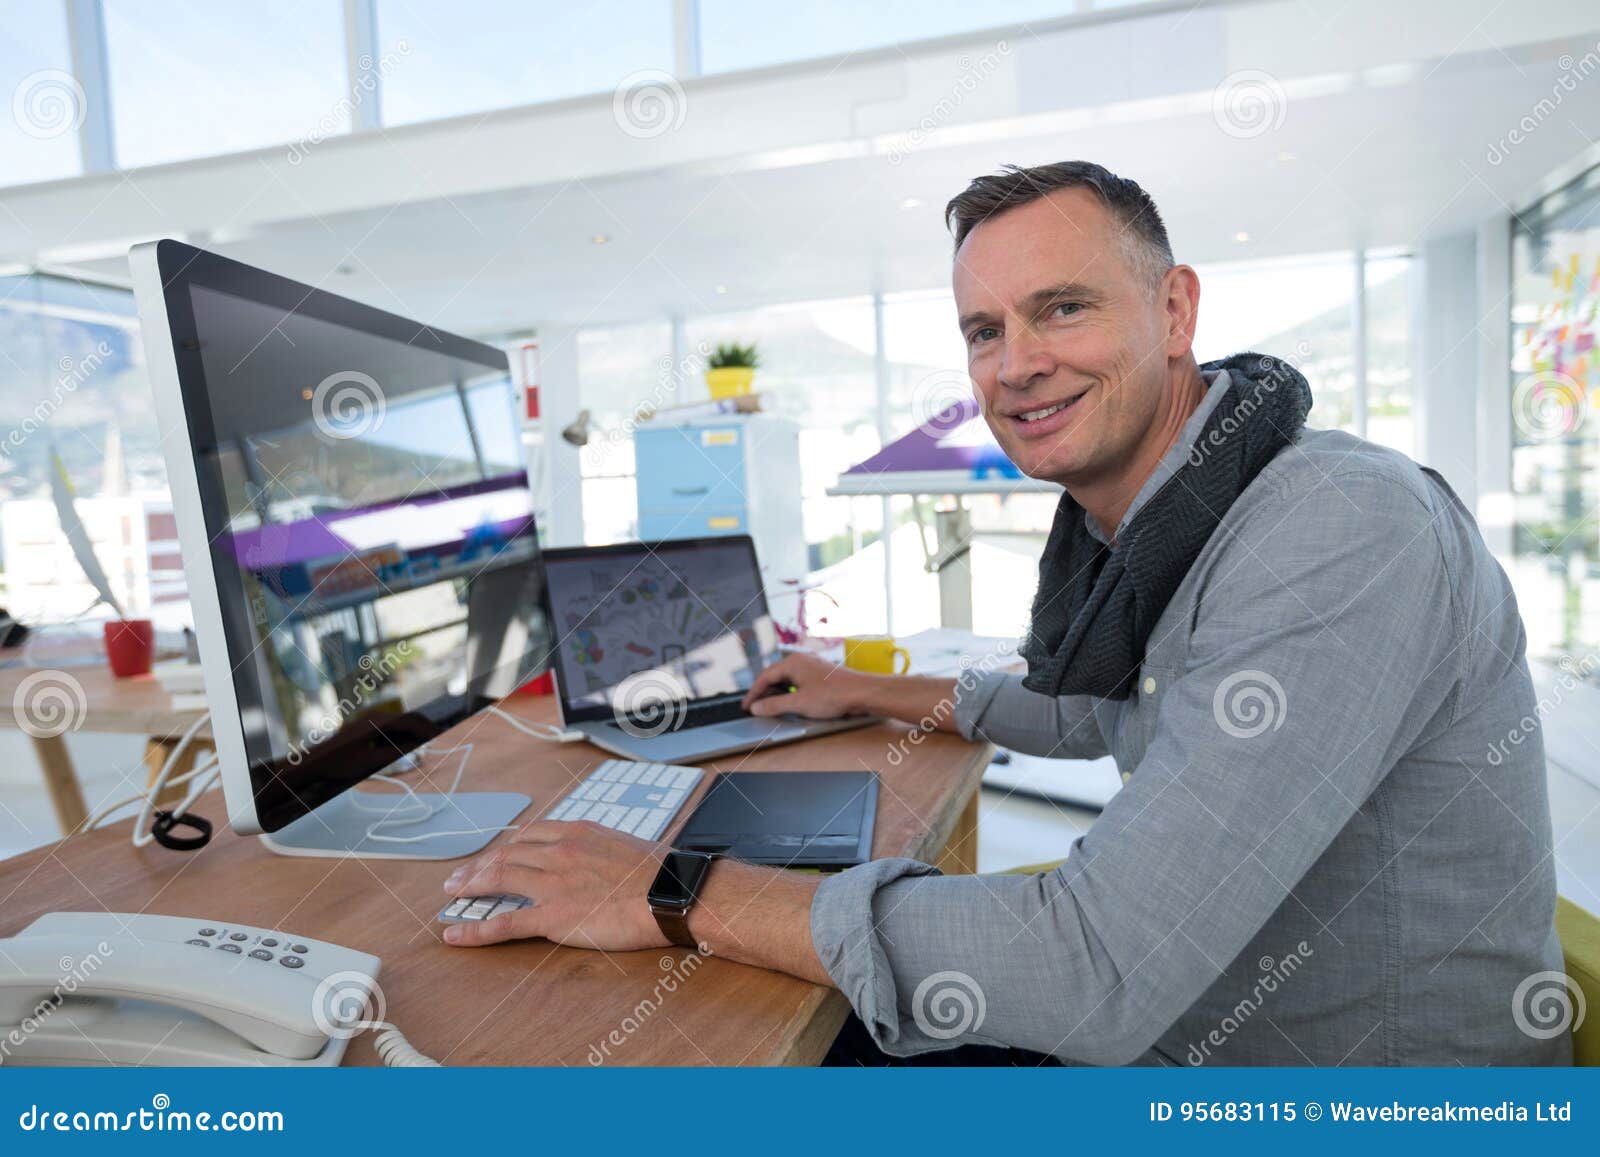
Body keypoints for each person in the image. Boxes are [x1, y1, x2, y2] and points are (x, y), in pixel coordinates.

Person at [441, 161, 1569, 1066]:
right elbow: (1096, 709)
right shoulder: (1168, 521)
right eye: (985, 330)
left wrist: (660, 883)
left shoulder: (1333, 527)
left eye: (1062, 309)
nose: (1017, 365)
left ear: (1174, 308)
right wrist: (865, 689)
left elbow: (1095, 970)